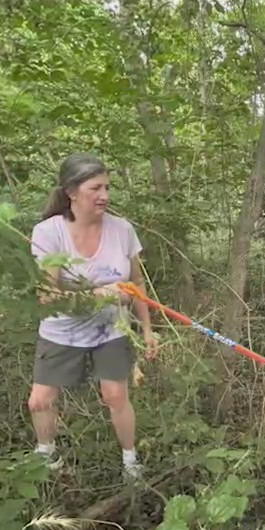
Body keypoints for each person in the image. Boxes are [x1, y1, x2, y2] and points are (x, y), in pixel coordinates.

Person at [28, 153, 158, 480]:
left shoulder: (122, 230)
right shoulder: (48, 233)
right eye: (95, 188)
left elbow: (137, 284)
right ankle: (46, 455)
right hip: (61, 330)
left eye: (107, 188)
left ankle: (130, 461)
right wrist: (98, 295)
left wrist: (146, 329)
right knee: (40, 401)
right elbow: (47, 297)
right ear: (72, 191)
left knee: (115, 395)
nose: (104, 196)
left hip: (111, 330)